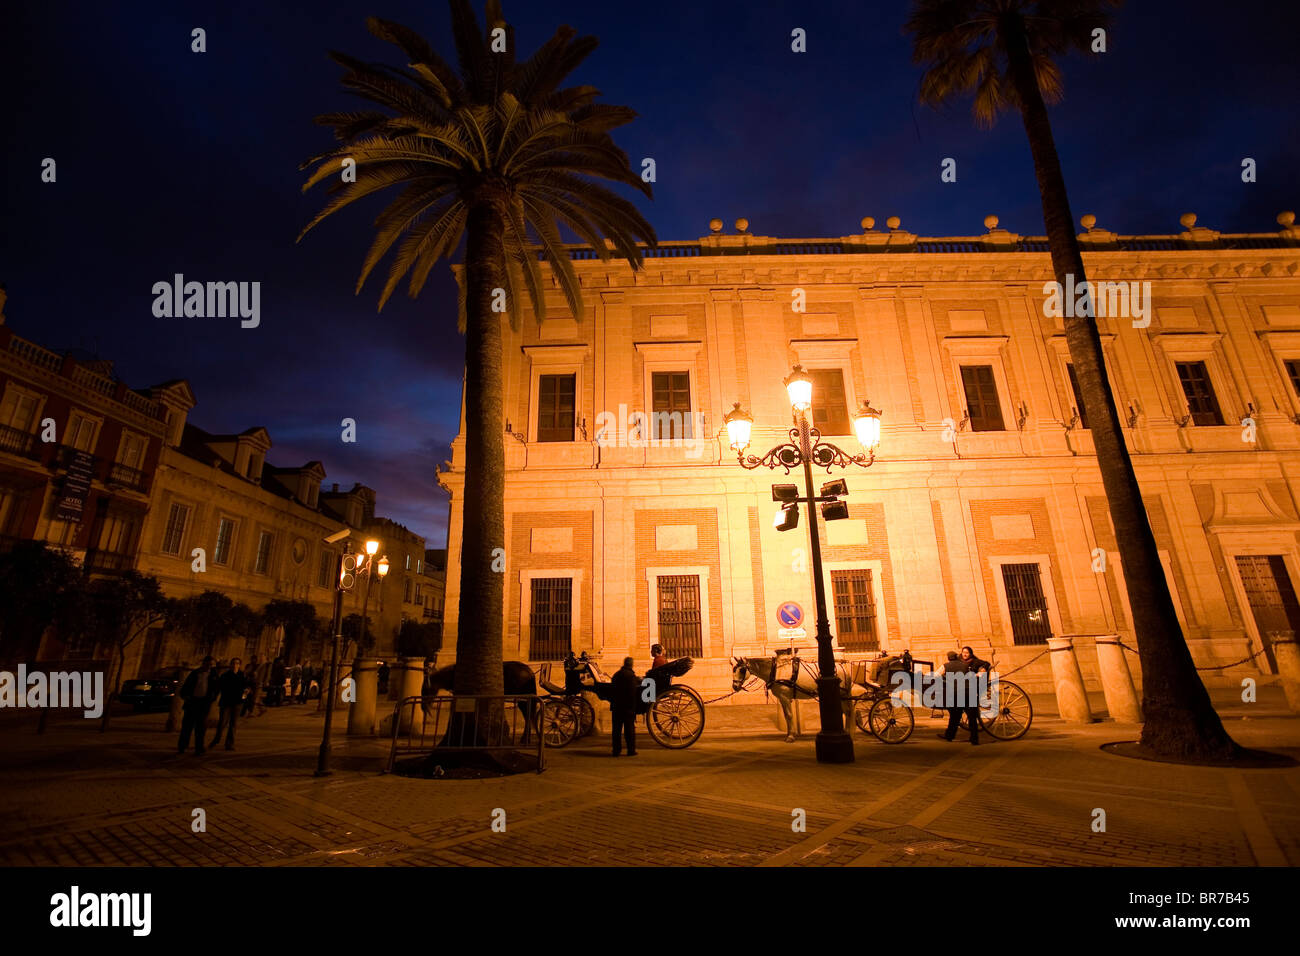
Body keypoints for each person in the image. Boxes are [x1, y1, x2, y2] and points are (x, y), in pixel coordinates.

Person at [177, 656, 219, 755]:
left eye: (211, 665)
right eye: (208, 664)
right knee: (187, 726)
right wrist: (186, 696)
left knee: (201, 727)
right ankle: (182, 746)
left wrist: (212, 698)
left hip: (204, 704)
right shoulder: (195, 673)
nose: (209, 666)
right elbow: (185, 687)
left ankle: (199, 747)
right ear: (203, 663)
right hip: (192, 702)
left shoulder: (213, 675)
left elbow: (216, 688)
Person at [211, 657, 245, 750]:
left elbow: (246, 687)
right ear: (230, 665)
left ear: (239, 665)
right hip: (226, 702)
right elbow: (220, 687)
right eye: (233, 663)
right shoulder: (225, 676)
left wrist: (244, 696)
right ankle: (217, 739)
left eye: (237, 663)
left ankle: (229, 744)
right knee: (222, 722)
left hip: (237, 703)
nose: (235, 665)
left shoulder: (242, 676)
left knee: (233, 724)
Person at [610, 657, 640, 757]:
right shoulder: (631, 676)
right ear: (631, 665)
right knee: (629, 730)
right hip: (627, 707)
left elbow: (612, 690)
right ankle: (630, 750)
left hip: (616, 706)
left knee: (616, 730)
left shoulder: (616, 675)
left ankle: (616, 750)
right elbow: (632, 693)